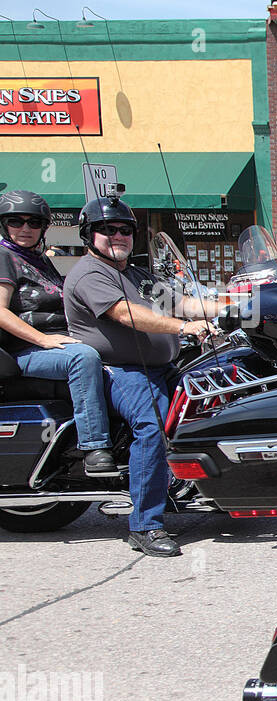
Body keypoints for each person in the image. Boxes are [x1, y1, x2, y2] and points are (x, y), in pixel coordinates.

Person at [62, 195, 214, 557]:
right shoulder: (90, 274)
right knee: (152, 426)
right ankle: (145, 525)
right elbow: (127, 314)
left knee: (212, 407)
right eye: (106, 229)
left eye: (124, 229)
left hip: (161, 368)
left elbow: (182, 303)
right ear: (89, 234)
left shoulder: (135, 273)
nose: (118, 235)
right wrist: (185, 326)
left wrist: (245, 305)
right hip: (122, 371)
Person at [0, 189, 118, 477]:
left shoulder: (38, 260)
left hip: (54, 344)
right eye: (16, 221)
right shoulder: (4, 256)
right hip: (25, 350)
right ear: (4, 224)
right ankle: (94, 447)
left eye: (34, 223)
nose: (25, 228)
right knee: (83, 358)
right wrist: (43, 340)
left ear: (44, 227)